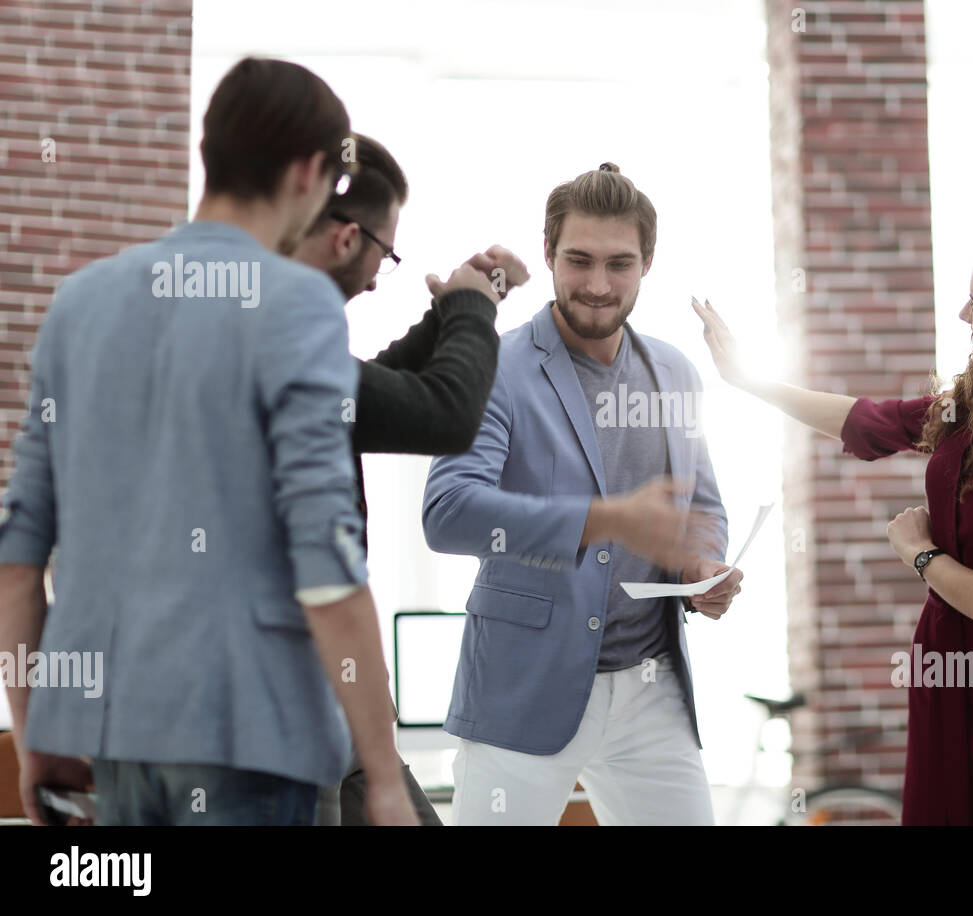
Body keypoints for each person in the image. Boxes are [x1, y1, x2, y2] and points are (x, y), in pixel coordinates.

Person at [0, 57, 417, 826]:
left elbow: (19, 558)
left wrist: (36, 733)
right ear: (307, 172)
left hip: (107, 735)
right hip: (252, 735)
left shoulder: (80, 304)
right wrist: (385, 776)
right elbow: (323, 557)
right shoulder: (296, 305)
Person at [695, 223, 973, 824]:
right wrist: (750, 381)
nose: (962, 313)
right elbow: (868, 421)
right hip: (943, 673)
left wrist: (919, 553)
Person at [423, 163, 742, 825]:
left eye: (619, 263)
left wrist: (702, 567)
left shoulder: (675, 373)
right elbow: (448, 511)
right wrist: (607, 519)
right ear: (548, 255)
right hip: (523, 684)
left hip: (652, 687)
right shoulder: (496, 366)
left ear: (648, 263)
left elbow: (702, 507)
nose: (597, 286)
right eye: (579, 260)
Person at [292, 133, 528, 825]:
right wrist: (470, 310)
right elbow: (444, 415)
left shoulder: (282, 324)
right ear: (346, 235)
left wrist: (458, 307)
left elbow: (366, 394)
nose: (374, 278)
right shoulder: (271, 329)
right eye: (385, 255)